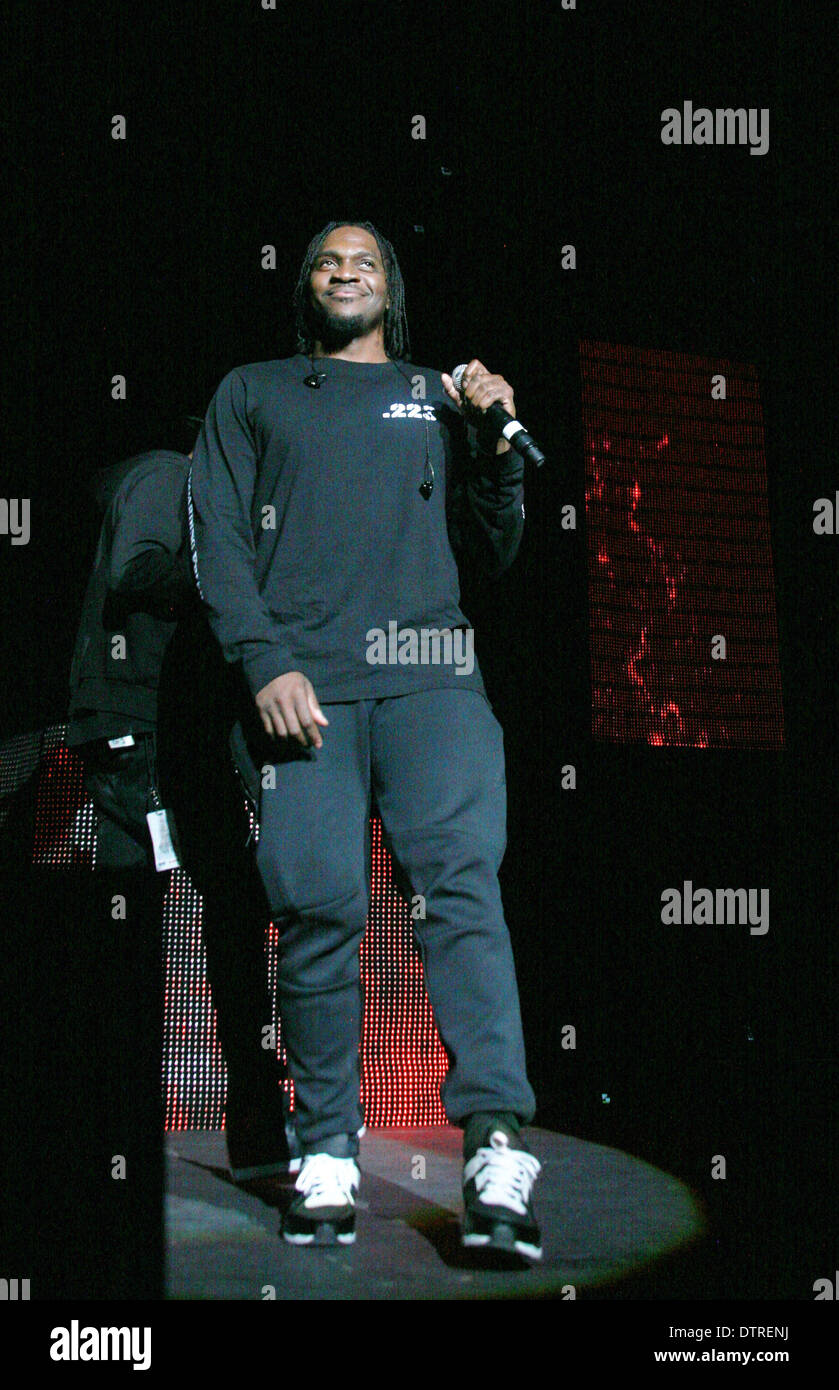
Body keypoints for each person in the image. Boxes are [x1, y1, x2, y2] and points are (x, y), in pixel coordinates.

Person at [189, 221, 542, 1258]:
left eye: (365, 259)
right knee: (318, 910)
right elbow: (212, 534)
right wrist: (261, 662)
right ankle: (327, 1149)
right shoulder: (252, 390)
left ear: (391, 289)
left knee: (462, 889)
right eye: (326, 259)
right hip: (307, 688)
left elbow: (493, 547)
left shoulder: (440, 392)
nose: (345, 269)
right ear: (304, 287)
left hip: (432, 677)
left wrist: (492, 442)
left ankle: (491, 1146)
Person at [67, 433, 295, 1188]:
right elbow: (137, 570)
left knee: (206, 902)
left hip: (162, 724)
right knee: (204, 902)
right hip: (144, 725)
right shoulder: (170, 478)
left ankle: (248, 1119)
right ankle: (251, 1119)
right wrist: (227, 576)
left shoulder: (186, 489)